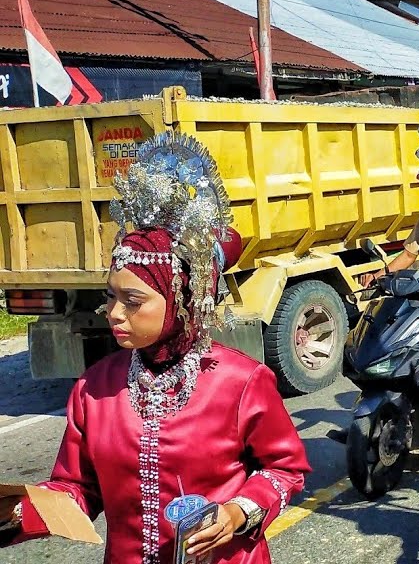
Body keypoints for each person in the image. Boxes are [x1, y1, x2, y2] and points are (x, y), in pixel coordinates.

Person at [0, 134, 309, 564]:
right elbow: (78, 488)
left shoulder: (241, 382)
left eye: (133, 301)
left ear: (181, 300)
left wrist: (238, 511)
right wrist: (18, 511)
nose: (113, 313)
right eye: (111, 297)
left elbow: (285, 469)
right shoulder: (95, 387)